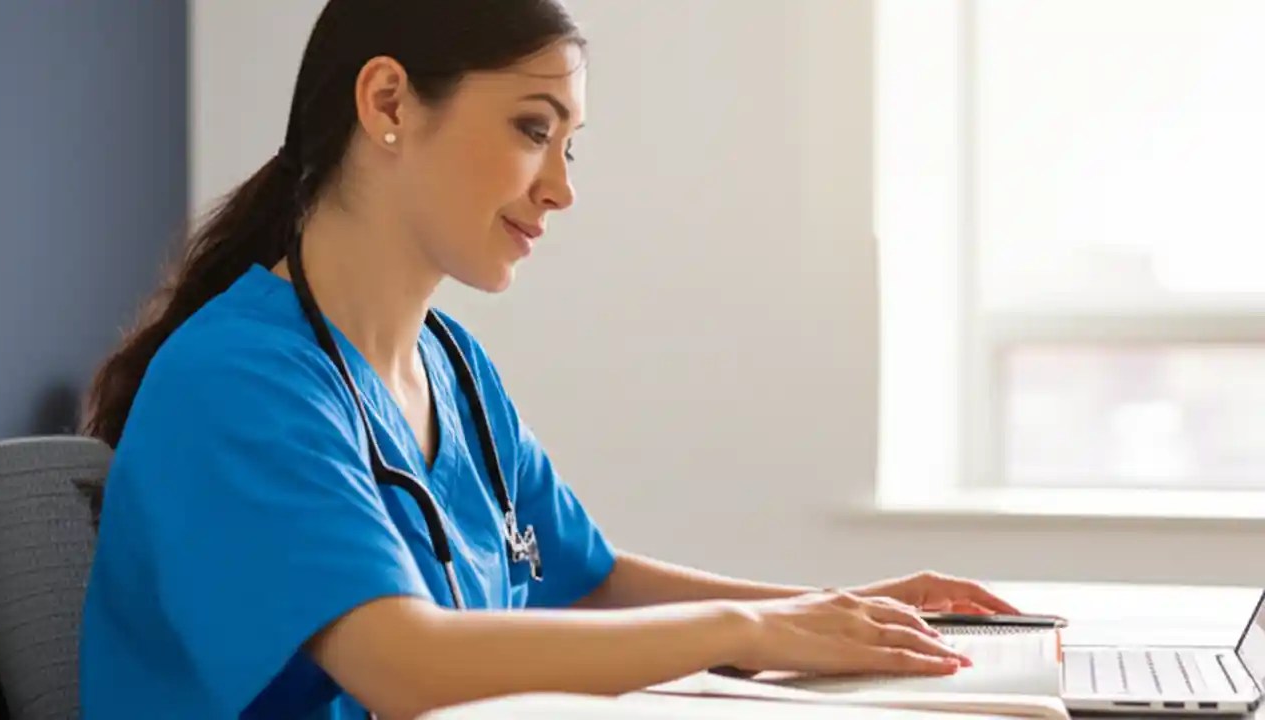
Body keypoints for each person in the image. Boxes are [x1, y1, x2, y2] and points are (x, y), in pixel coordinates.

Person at [78, 1, 1019, 717]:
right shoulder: (239, 382)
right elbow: (400, 662)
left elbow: (590, 580)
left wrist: (832, 610)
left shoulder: (453, 368)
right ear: (388, 102)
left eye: (572, 146)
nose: (562, 189)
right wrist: (753, 629)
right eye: (535, 130)